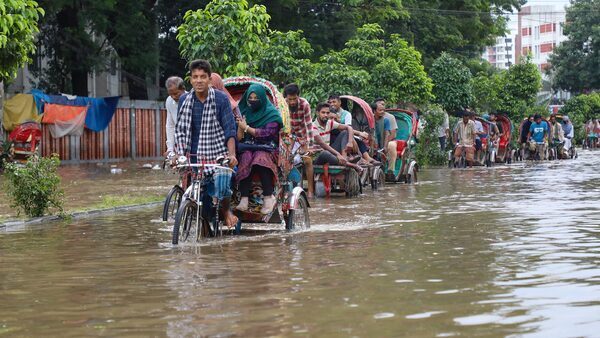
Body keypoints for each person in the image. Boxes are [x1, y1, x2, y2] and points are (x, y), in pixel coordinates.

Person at [175, 59, 238, 228]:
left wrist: (231, 155)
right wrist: (177, 154)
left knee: (222, 182)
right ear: (190, 80)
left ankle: (226, 211)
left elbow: (229, 130)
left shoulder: (221, 99)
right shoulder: (184, 100)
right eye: (195, 77)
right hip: (195, 156)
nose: (199, 80)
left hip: (218, 153)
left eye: (203, 77)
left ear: (210, 79)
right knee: (197, 197)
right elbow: (180, 130)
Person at [234, 84, 283, 214]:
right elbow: (239, 138)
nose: (253, 100)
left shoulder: (271, 113)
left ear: (262, 98)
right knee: (245, 157)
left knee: (259, 158)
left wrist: (246, 128)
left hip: (268, 147)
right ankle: (243, 198)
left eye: (256, 97)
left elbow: (267, 133)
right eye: (251, 97)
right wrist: (240, 125)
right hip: (248, 146)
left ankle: (268, 197)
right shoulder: (244, 111)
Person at [283, 83, 315, 198]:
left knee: (307, 160)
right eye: (289, 99)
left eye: (294, 99)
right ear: (286, 97)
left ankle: (311, 191)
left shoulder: (304, 104)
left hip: (302, 135)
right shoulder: (282, 104)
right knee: (285, 160)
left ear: (298, 97)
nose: (292, 102)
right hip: (288, 135)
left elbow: (309, 126)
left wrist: (309, 146)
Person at [311, 102, 361, 171]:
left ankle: (344, 158)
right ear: (317, 113)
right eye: (323, 113)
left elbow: (349, 128)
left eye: (327, 113)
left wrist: (350, 142)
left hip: (330, 153)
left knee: (345, 132)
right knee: (324, 153)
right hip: (318, 157)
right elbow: (322, 144)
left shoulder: (329, 123)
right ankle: (350, 164)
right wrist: (338, 154)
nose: (325, 115)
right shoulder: (313, 126)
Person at [164, 76, 187, 156]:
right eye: (171, 94)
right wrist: (170, 149)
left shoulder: (192, 100)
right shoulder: (169, 101)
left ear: (183, 89)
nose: (173, 97)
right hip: (179, 142)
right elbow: (170, 125)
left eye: (176, 93)